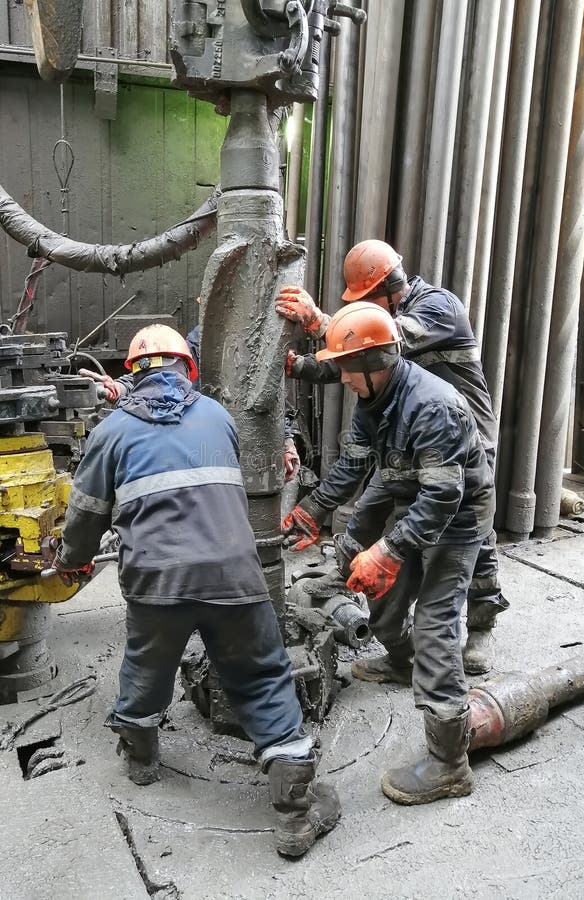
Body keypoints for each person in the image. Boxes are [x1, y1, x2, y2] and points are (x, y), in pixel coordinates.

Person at [58, 323, 339, 858]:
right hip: (236, 575)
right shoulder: (217, 416)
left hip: (157, 581)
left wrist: (72, 562)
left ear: (130, 375)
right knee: (260, 675)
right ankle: (295, 812)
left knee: (147, 665)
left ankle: (140, 757)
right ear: (187, 368)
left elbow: (86, 516)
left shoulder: (110, 432)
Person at [283, 303, 495, 804]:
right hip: (413, 497)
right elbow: (354, 465)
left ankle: (450, 764)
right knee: (383, 601)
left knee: (435, 623)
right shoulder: (373, 401)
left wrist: (391, 549)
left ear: (376, 364)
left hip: (460, 514)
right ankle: (403, 664)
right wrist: (312, 509)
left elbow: (445, 497)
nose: (343, 380)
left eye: (347, 371)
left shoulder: (432, 406)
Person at [276, 239, 507, 674]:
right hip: (406, 439)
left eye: (361, 304)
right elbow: (352, 360)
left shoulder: (438, 307)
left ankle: (480, 624)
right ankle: (347, 573)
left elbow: (378, 343)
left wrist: (321, 321)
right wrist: (298, 366)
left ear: (382, 291)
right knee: (369, 506)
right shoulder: (373, 383)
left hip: (461, 436)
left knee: (470, 535)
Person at [81, 319, 301, 482]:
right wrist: (120, 388)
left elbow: (274, 397)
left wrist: (286, 441)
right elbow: (161, 371)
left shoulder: (263, 343)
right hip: (212, 438)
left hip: (244, 444)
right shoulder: (200, 341)